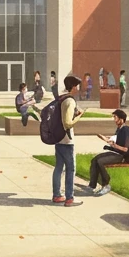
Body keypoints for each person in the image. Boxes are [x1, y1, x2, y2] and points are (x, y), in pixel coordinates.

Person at [51, 75, 84, 206]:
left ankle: (57, 195)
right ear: (74, 86)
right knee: (71, 169)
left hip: (58, 138)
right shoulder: (70, 101)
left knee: (59, 168)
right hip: (67, 141)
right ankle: (70, 198)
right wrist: (80, 116)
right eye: (78, 85)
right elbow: (68, 123)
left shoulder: (62, 99)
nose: (79, 87)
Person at [87, 109, 129, 196]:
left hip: (121, 156)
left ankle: (106, 184)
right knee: (94, 160)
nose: (114, 120)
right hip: (115, 153)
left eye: (115, 117)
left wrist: (114, 145)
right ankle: (92, 185)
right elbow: (114, 140)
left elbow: (125, 149)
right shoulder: (119, 129)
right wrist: (105, 139)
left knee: (100, 161)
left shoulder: (126, 129)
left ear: (121, 119)